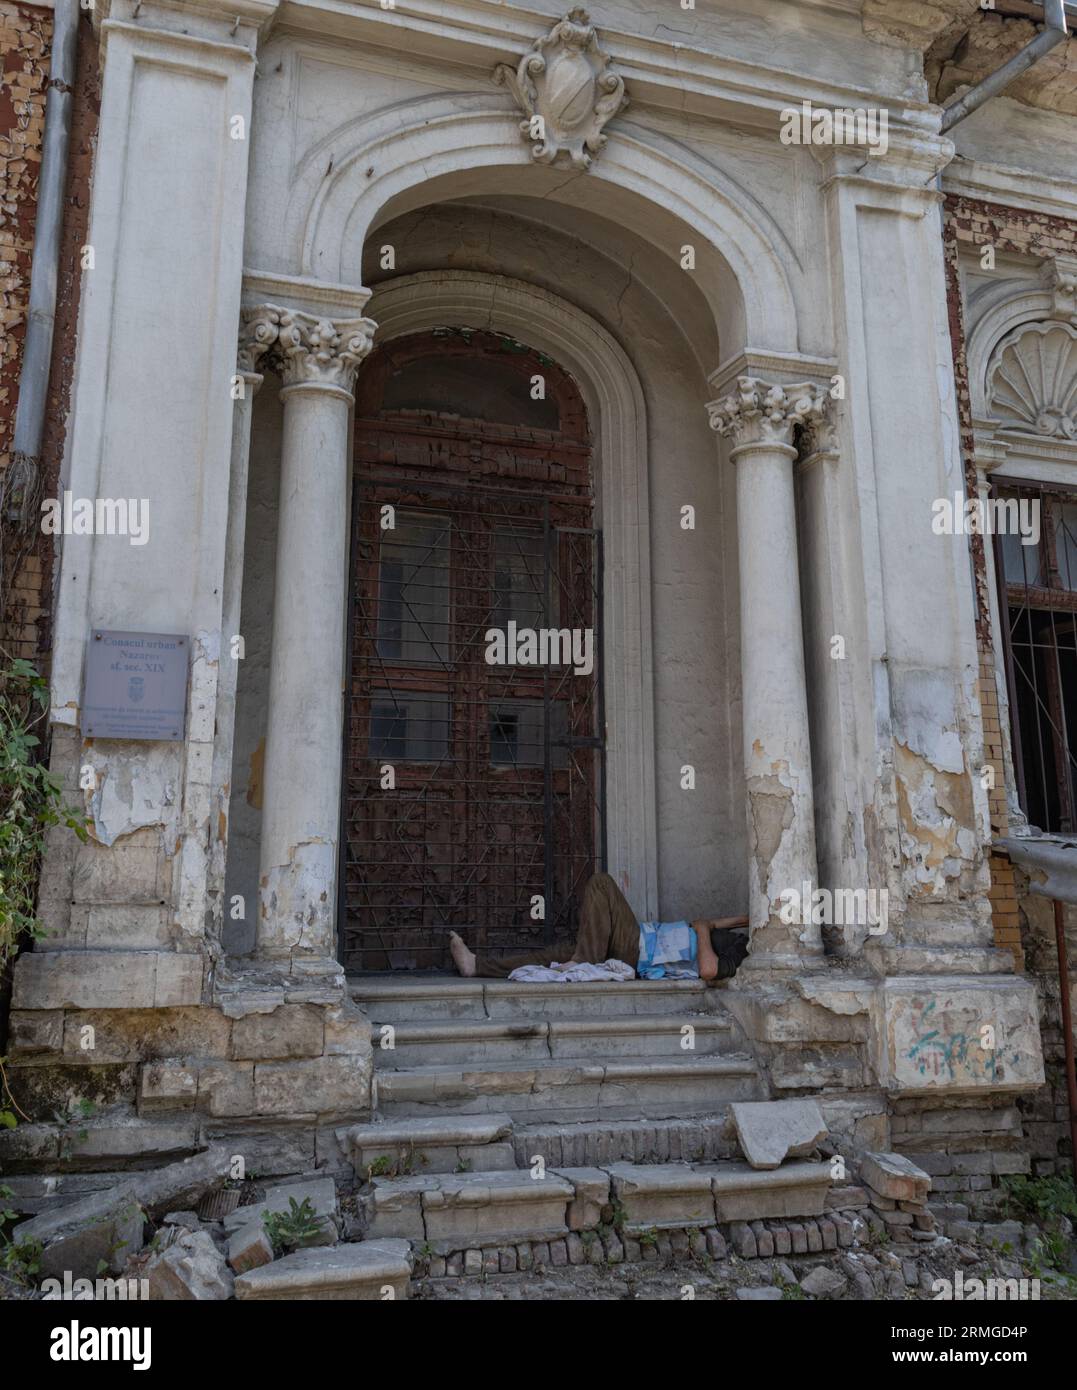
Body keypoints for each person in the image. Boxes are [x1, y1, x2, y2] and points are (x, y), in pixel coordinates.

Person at [449, 872, 749, 981]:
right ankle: (477, 966)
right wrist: (749, 918)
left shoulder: (742, 956)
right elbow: (709, 923)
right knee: (554, 955)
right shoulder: (738, 937)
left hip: (638, 950)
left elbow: (709, 970)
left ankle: (584, 961)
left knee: (601, 883)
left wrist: (701, 930)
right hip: (636, 941)